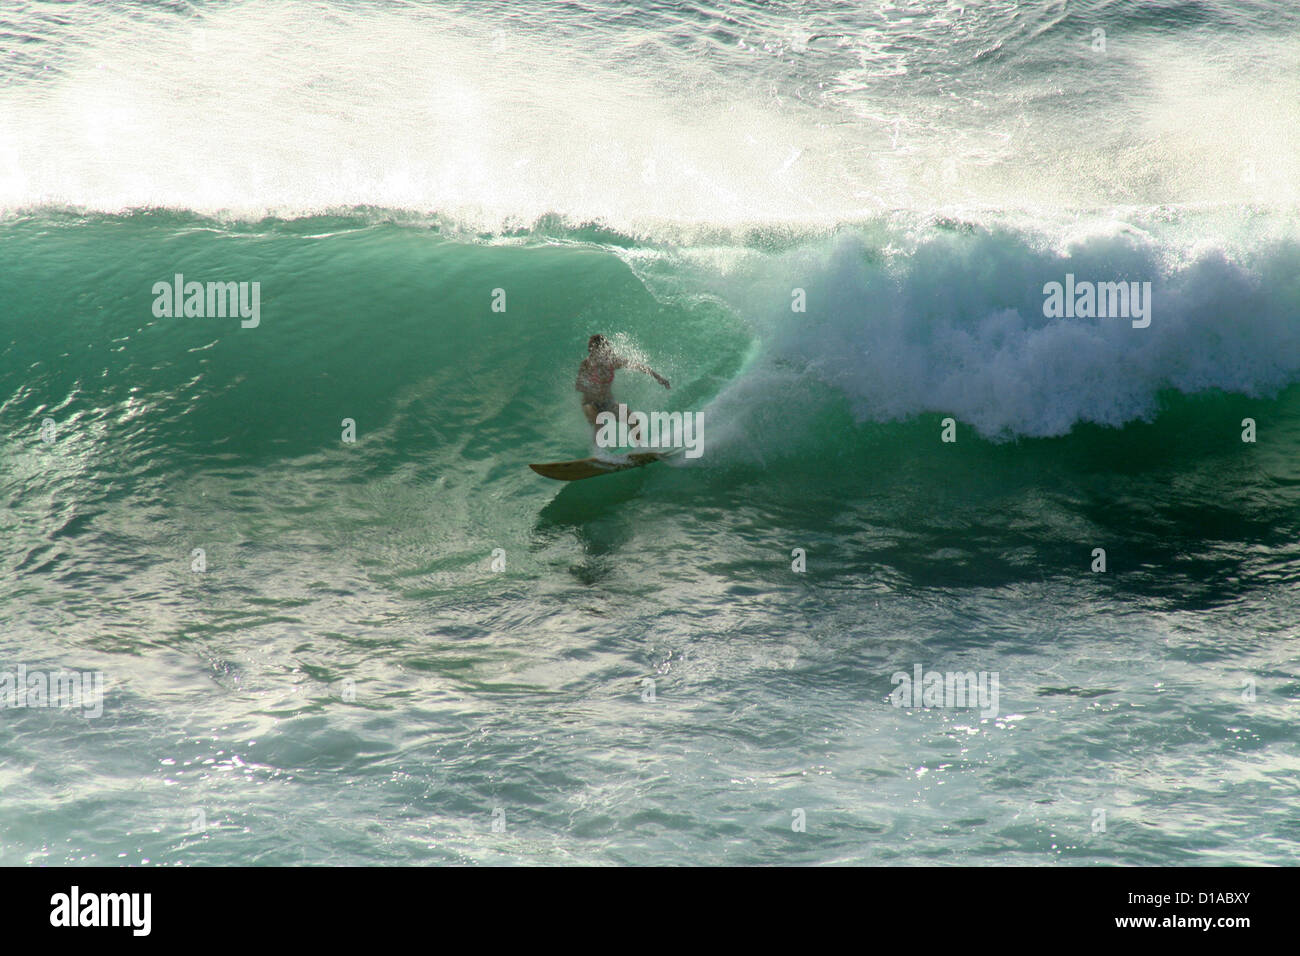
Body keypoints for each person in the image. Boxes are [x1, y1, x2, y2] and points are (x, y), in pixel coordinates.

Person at [576, 334, 669, 442]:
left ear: (602, 349)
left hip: (607, 403)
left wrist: (658, 377)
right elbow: (578, 386)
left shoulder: (612, 362)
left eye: (595, 350)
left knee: (633, 420)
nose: (592, 354)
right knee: (599, 424)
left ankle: (639, 449)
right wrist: (591, 388)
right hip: (589, 404)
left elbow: (638, 366)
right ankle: (598, 454)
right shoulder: (586, 364)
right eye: (591, 351)